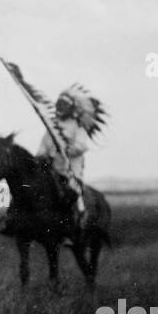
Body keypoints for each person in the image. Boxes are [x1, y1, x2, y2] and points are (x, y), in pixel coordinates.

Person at [36, 83, 106, 221]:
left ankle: (80, 214)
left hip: (70, 169)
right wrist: (40, 157)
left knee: (73, 190)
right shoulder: (52, 127)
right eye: (59, 104)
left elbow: (81, 146)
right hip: (51, 168)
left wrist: (67, 150)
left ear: (70, 108)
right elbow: (43, 146)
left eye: (63, 105)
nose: (60, 107)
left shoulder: (78, 126)